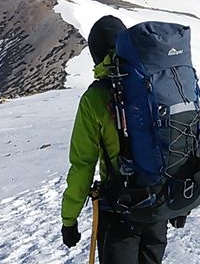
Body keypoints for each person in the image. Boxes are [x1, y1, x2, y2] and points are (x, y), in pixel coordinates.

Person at [60, 15, 170, 264]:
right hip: (159, 202)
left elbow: (83, 164)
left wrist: (69, 219)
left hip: (120, 209)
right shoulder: (153, 83)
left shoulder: (95, 98)